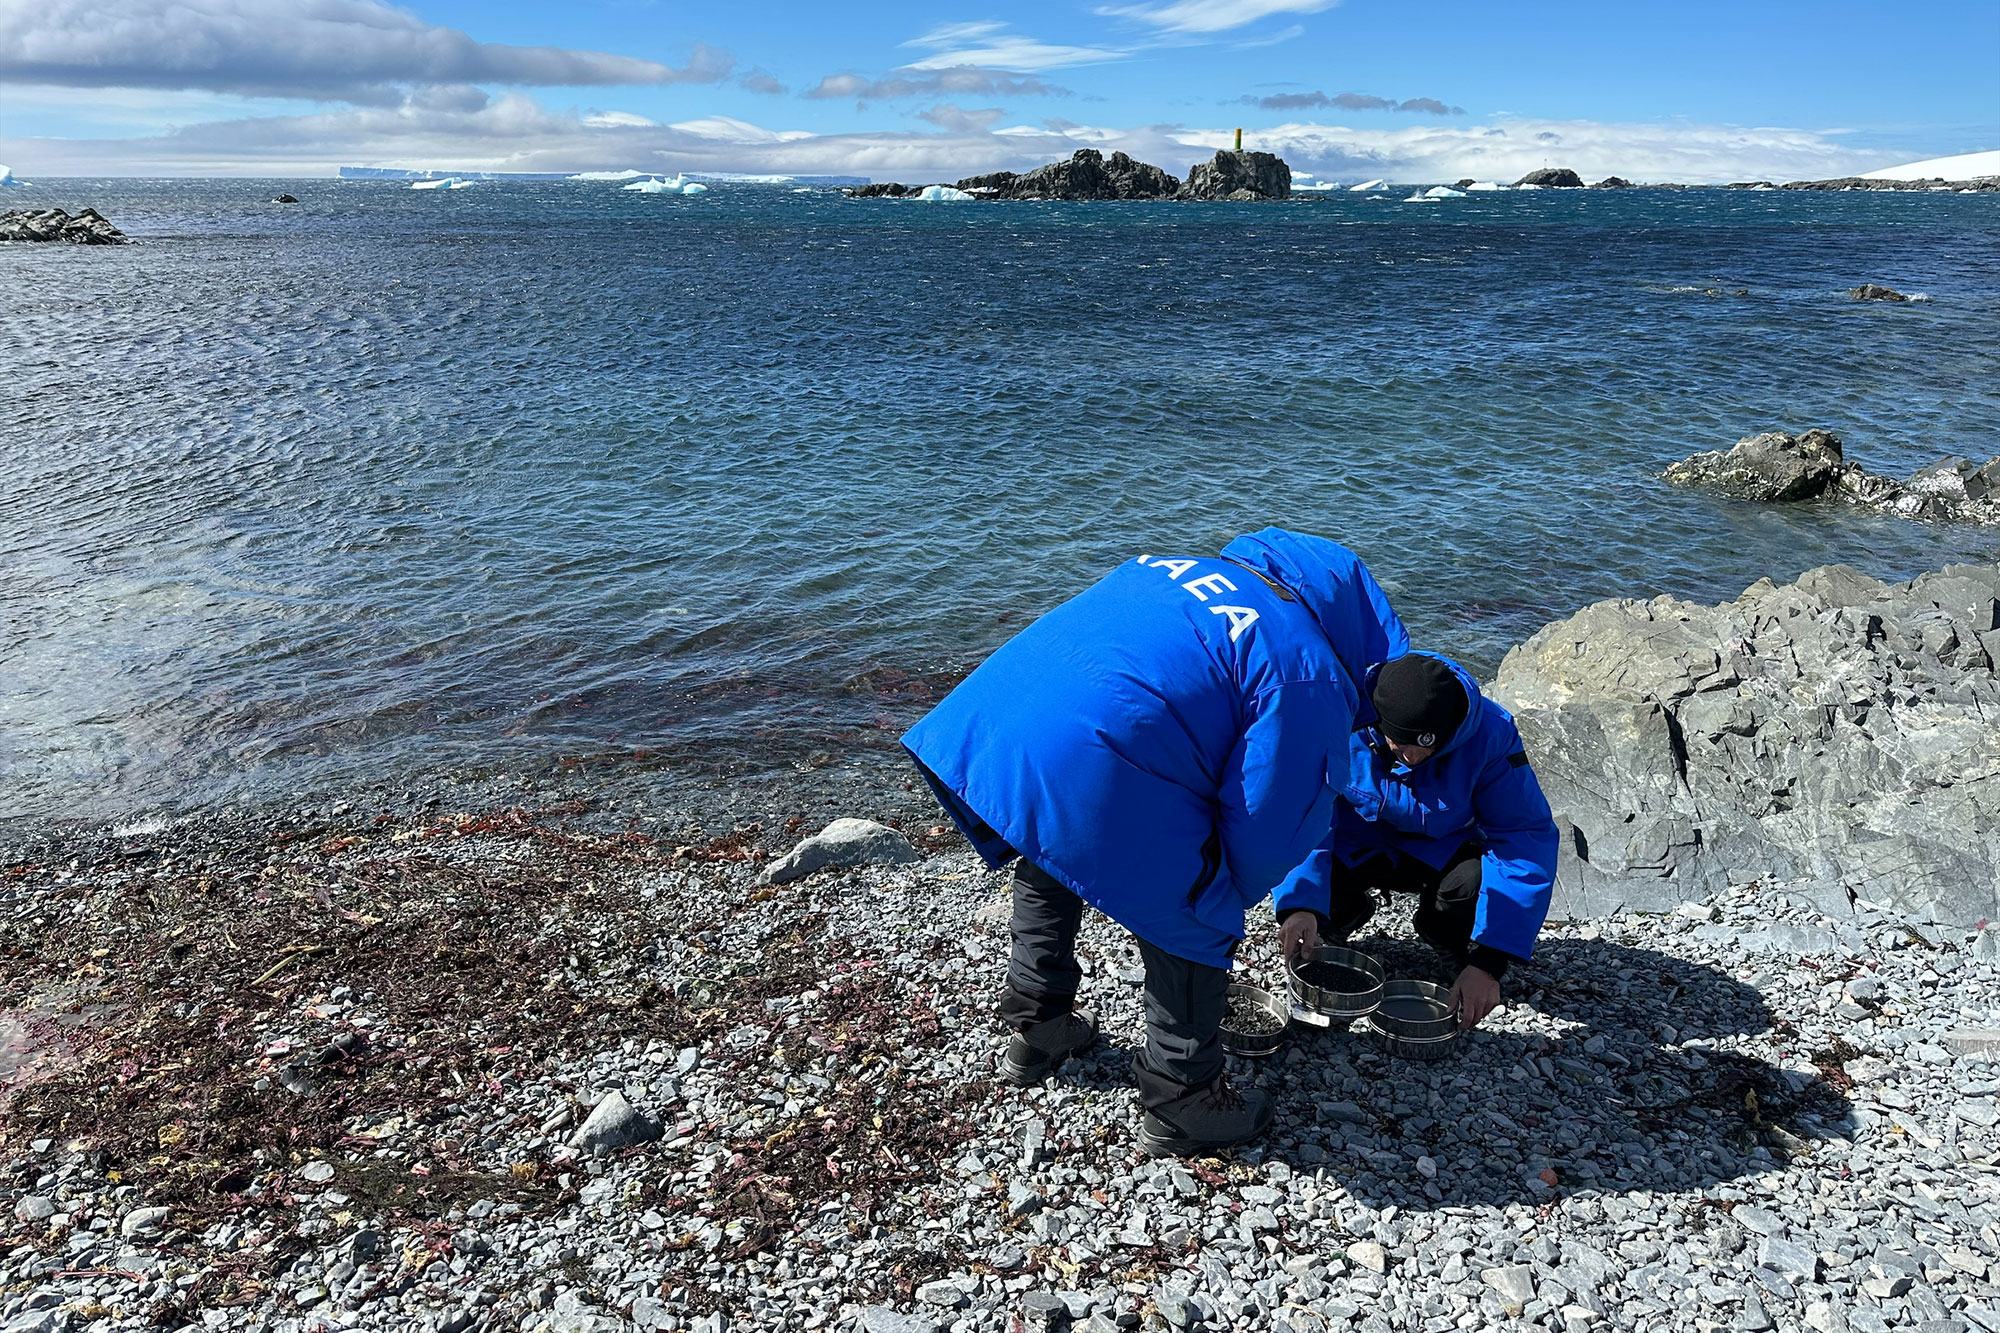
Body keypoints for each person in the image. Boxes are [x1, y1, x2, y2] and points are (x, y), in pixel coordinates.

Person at [902, 528, 1408, 1156]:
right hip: (1095, 753)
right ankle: (1183, 1097)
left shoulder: (1169, 564)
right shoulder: (1306, 669)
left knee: (1047, 848)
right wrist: (1223, 902)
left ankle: (1039, 1027)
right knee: (1200, 902)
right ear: (1353, 621)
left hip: (998, 720)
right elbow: (1268, 817)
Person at [1273, 652, 1559, 1028]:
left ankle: (1443, 931)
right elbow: (1306, 814)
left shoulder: (1491, 734)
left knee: (1473, 880)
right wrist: (1298, 904)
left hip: (1437, 850)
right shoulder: (1341, 716)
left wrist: (1490, 962)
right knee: (1316, 883)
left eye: (1427, 748)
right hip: (1357, 844)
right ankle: (1338, 916)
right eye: (1400, 745)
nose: (1412, 758)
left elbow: (1523, 836)